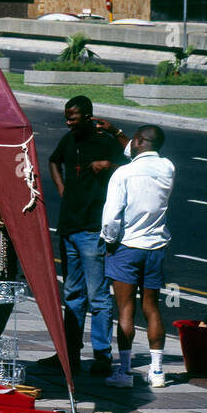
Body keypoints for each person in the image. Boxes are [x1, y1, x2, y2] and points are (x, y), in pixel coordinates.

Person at [37, 96, 127, 377]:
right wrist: (62, 187)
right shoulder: (68, 139)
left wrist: (108, 162)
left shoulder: (105, 141)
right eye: (67, 117)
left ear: (88, 116)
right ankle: (69, 353)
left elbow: (133, 163)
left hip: (92, 229)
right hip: (69, 228)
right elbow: (53, 161)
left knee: (98, 296)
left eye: (73, 118)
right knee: (72, 294)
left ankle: (102, 356)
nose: (68, 122)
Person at [100, 125, 175, 389]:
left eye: (133, 140)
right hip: (155, 246)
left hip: (127, 246)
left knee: (125, 310)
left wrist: (109, 241)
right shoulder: (168, 168)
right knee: (152, 308)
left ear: (140, 141)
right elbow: (138, 152)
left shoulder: (124, 173)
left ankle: (125, 372)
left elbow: (111, 217)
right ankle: (157, 372)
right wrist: (120, 133)